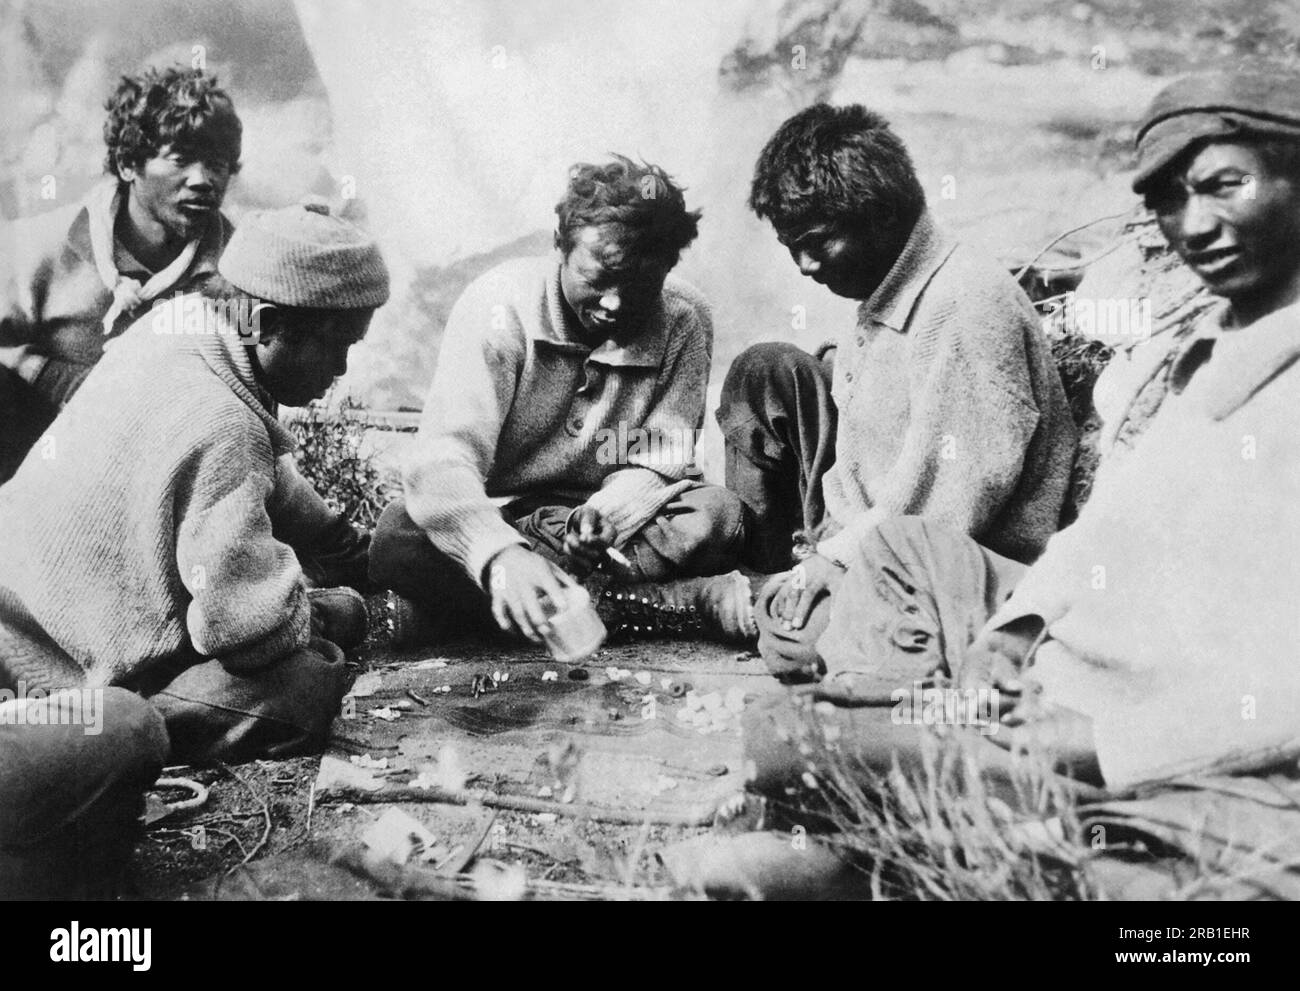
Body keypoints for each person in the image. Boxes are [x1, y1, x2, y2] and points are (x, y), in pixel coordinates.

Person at [738, 67, 1300, 898]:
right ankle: (933, 829)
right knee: (783, 749)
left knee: (782, 746)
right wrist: (1013, 631)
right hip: (1066, 682)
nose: (1195, 225)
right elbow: (1106, 530)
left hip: (1151, 737)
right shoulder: (1206, 351)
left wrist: (1099, 740)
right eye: (1169, 202)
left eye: (1224, 185)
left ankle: (977, 842)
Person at [0, 200, 387, 898]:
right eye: (336, 344)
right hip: (45, 668)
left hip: (19, 600)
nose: (341, 367)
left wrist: (341, 542)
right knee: (305, 680)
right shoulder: (224, 423)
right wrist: (327, 610)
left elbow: (273, 469)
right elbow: (243, 628)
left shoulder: (178, 330)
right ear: (267, 325)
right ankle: (144, 718)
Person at [717, 104, 1077, 679]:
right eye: (791, 247)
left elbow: (950, 506)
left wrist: (832, 562)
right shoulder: (887, 284)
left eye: (816, 242)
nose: (805, 266)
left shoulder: (965, 305)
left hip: (950, 559)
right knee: (764, 371)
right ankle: (763, 588)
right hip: (867, 524)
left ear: (879, 216)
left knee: (801, 644)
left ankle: (753, 606)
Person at [371, 156, 753, 649]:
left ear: (667, 267)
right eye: (597, 279)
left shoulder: (684, 319)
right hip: (508, 515)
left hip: (616, 532)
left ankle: (498, 611)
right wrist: (500, 552)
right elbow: (444, 458)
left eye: (638, 286)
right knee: (397, 538)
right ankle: (662, 604)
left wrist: (603, 520)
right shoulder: (498, 308)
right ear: (560, 245)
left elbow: (661, 461)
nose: (614, 304)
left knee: (717, 514)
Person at [0, 65, 242, 485]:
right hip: (41, 458)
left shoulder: (239, 268)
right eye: (180, 159)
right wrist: (50, 375)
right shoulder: (43, 246)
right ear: (129, 164)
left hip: (162, 466)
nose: (203, 180)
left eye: (217, 164)